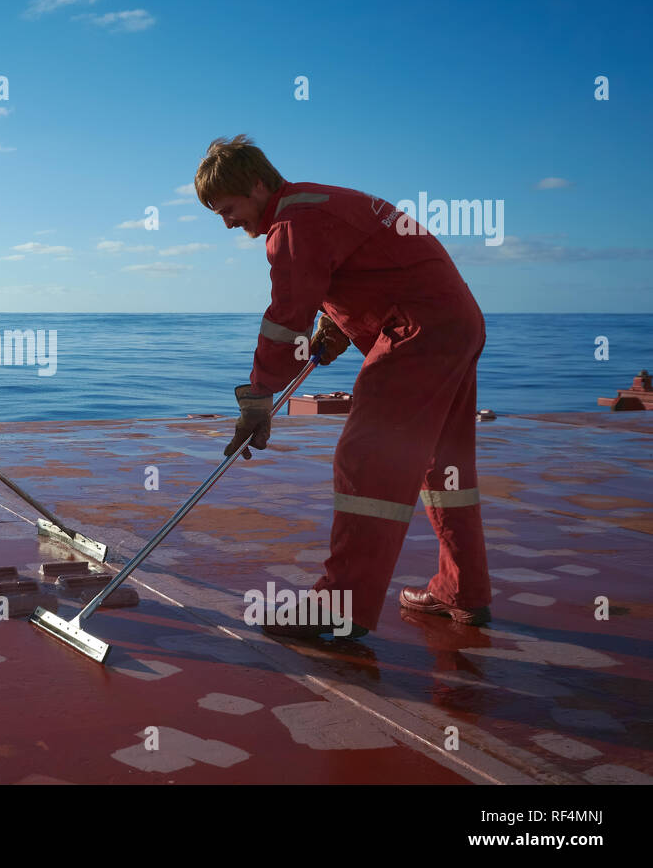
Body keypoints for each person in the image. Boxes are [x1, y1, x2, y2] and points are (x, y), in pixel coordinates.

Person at [195, 135, 492, 638]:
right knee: (444, 465)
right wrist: (335, 325)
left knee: (365, 459)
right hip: (455, 324)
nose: (227, 222)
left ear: (257, 184)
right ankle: (461, 590)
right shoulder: (318, 202)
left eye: (229, 208)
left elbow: (285, 319)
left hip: (416, 333)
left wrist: (258, 396)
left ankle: (340, 608)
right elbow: (370, 267)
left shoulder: (291, 224)